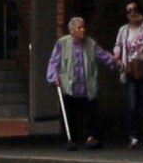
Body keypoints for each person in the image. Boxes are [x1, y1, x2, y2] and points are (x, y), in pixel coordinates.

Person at [46, 12, 109, 147]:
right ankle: (71, 139)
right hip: (70, 87)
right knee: (70, 115)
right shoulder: (62, 43)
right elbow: (54, 61)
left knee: (92, 114)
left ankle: (91, 138)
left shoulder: (90, 43)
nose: (83, 30)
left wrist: (115, 62)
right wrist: (53, 76)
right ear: (72, 30)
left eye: (83, 27)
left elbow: (102, 55)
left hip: (87, 87)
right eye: (79, 28)